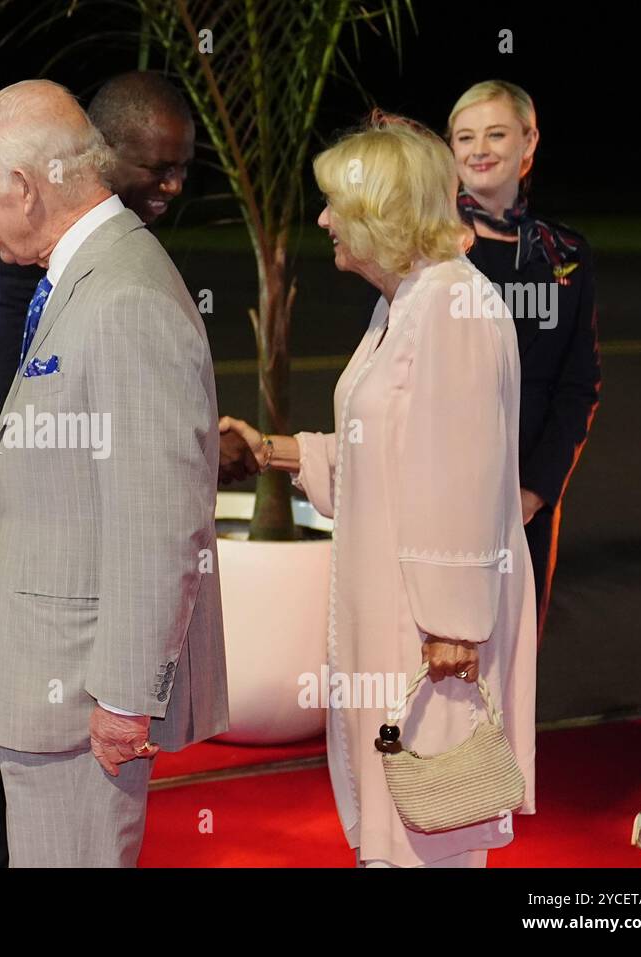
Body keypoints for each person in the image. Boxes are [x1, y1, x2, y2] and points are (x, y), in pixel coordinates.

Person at [0, 69, 226, 867]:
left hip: (81, 700)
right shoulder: (79, 280)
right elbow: (56, 497)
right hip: (48, 690)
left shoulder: (122, 299)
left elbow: (158, 521)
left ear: (25, 188)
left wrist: (128, 697)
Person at [226, 114, 536, 868]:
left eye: (338, 204)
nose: (324, 218)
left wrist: (453, 627)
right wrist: (270, 450)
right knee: (396, 835)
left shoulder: (450, 311)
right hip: (406, 624)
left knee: (429, 827)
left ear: (383, 214)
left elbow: (462, 476)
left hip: (432, 639)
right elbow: (383, 458)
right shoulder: (405, 304)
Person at [447, 80, 600, 642]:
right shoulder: (425, 247)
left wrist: (536, 490)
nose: (479, 149)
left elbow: (578, 384)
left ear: (528, 142)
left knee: (511, 662)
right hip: (439, 492)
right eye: (465, 136)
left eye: (495, 133)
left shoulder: (567, 255)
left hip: (525, 504)